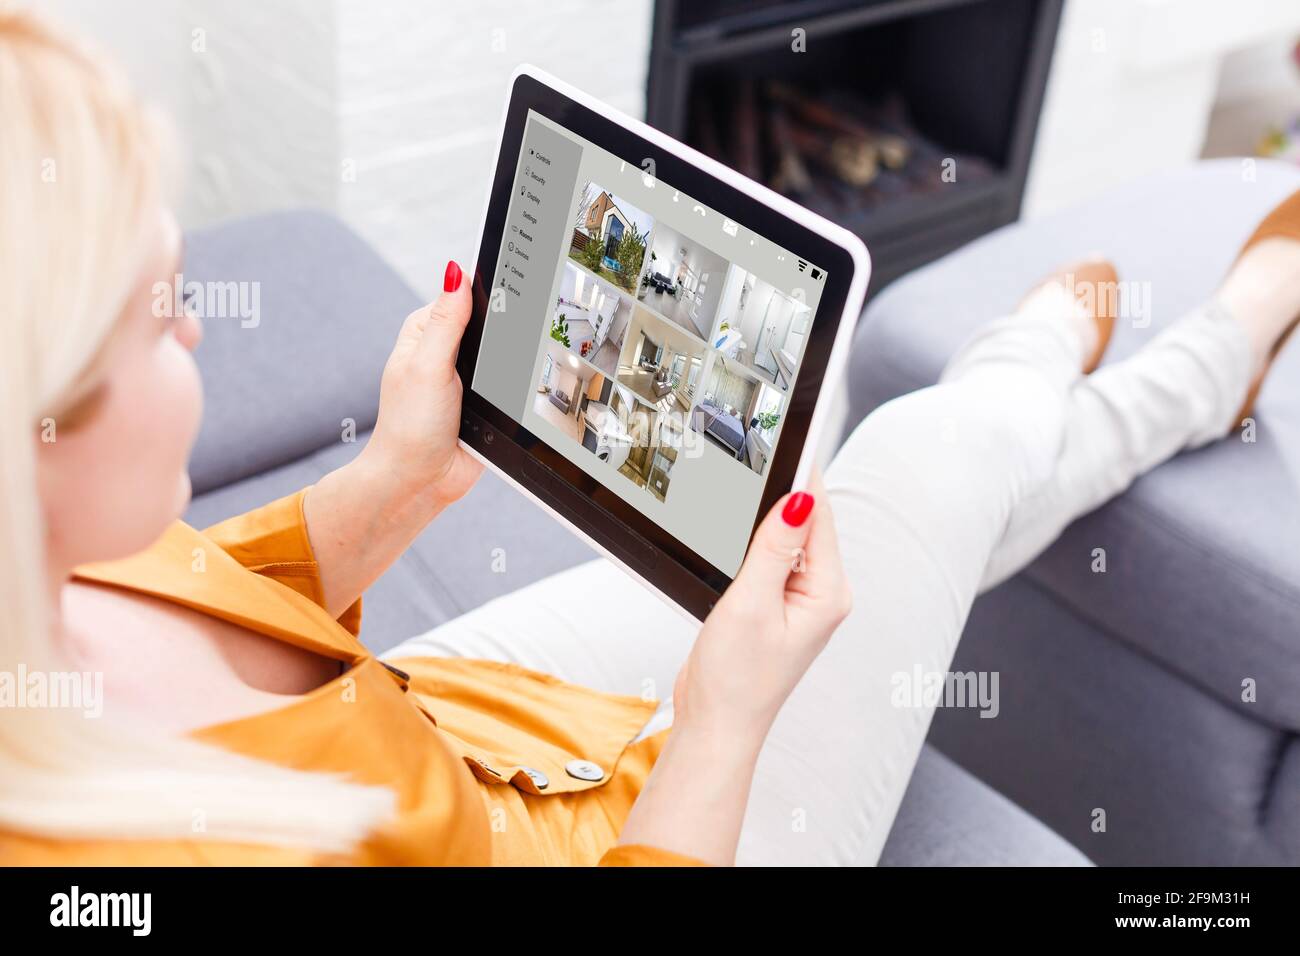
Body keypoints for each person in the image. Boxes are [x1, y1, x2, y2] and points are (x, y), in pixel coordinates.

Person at [2, 8, 1297, 865]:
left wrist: (398, 478)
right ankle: (1190, 360)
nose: (198, 330)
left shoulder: (40, 580)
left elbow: (211, 624)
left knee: (791, 522)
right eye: (155, 310)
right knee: (906, 469)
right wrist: (724, 725)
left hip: (450, 733)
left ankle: (1050, 392)